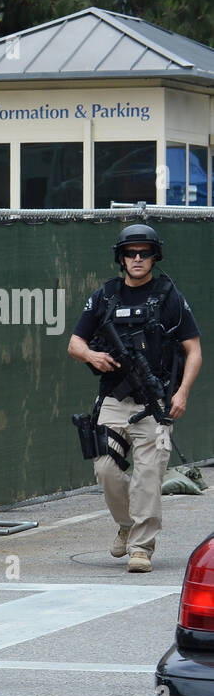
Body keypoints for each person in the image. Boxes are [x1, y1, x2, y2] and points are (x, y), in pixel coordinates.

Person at [68, 223, 201, 573]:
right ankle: (127, 523)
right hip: (113, 400)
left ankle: (141, 546)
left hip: (154, 406)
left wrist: (182, 392)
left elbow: (194, 350)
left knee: (148, 475)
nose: (138, 259)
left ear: (155, 256)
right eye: (131, 253)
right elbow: (74, 343)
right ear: (121, 258)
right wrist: (93, 357)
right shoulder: (105, 296)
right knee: (105, 468)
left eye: (144, 253)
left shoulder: (169, 296)